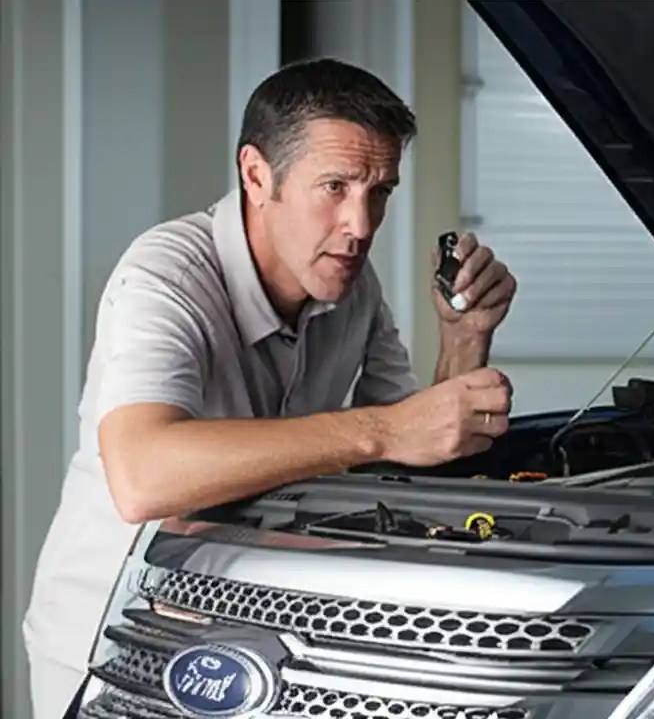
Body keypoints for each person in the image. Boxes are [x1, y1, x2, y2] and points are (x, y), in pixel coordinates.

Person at [21, 57, 518, 717]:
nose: (362, 224)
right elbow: (143, 475)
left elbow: (412, 465)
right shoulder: (166, 273)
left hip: (262, 638)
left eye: (380, 193)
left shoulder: (352, 288)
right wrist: (381, 430)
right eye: (335, 186)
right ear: (257, 175)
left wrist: (464, 338)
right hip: (116, 644)